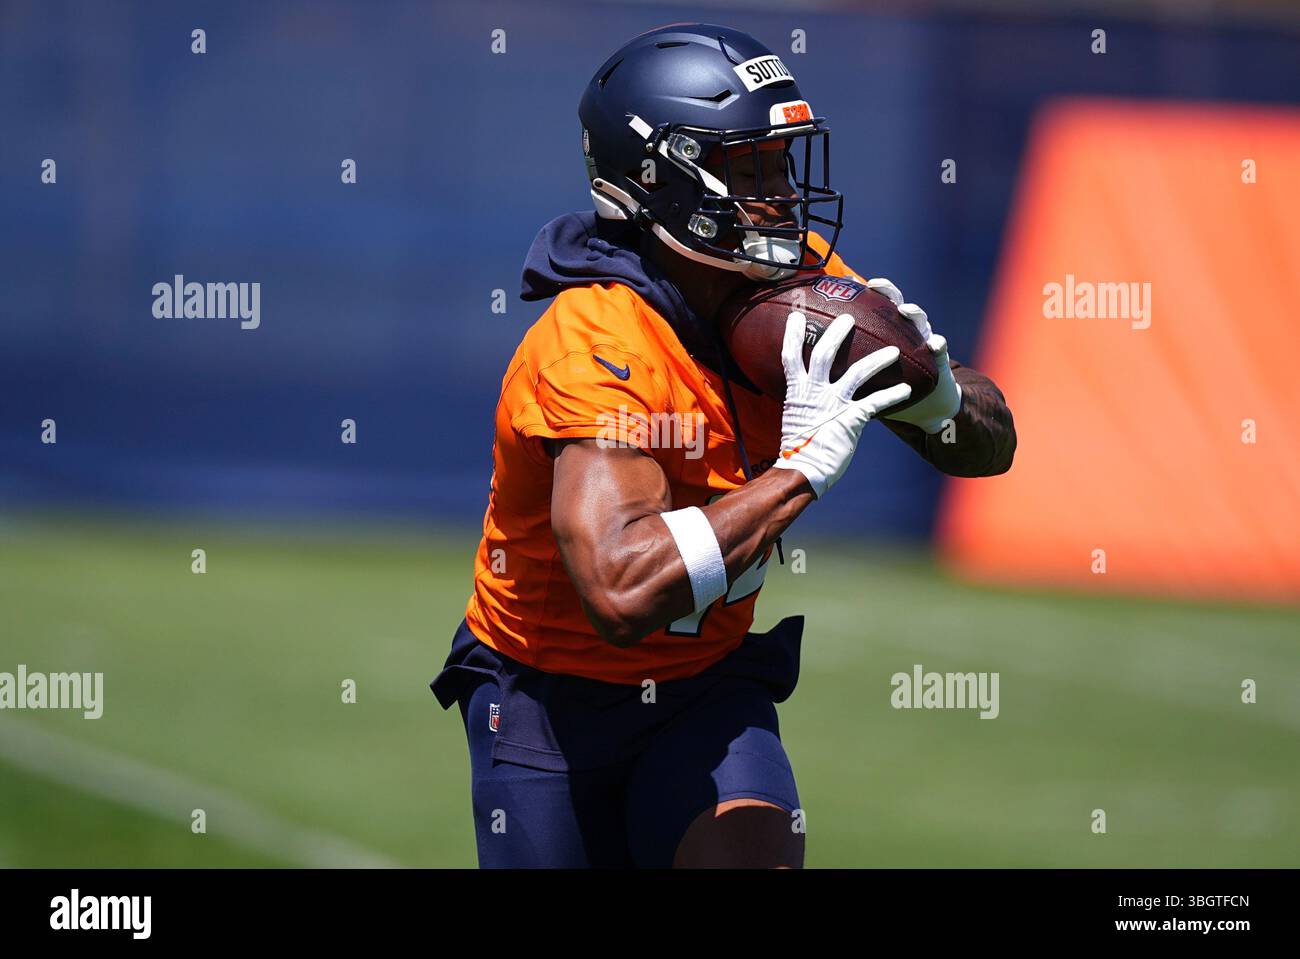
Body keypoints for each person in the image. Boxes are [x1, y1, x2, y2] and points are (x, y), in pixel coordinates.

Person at [430, 22, 1016, 868]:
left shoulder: (794, 282)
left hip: (705, 686)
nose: (779, 194)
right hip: (546, 700)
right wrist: (800, 470)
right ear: (654, 179)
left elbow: (991, 445)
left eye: (781, 164)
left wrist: (939, 395)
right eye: (747, 169)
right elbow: (622, 591)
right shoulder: (594, 341)